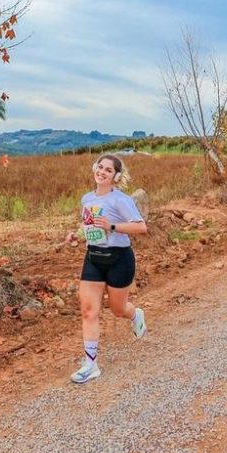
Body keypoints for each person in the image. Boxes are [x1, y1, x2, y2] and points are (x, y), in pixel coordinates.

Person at [71, 154, 148, 384]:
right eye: (100, 167)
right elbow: (87, 226)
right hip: (94, 257)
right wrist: (76, 235)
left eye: (108, 170)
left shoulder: (121, 200)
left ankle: (135, 314)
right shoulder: (87, 199)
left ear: (115, 176)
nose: (102, 172)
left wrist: (112, 226)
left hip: (119, 259)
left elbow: (141, 227)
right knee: (88, 310)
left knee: (117, 309)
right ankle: (90, 365)